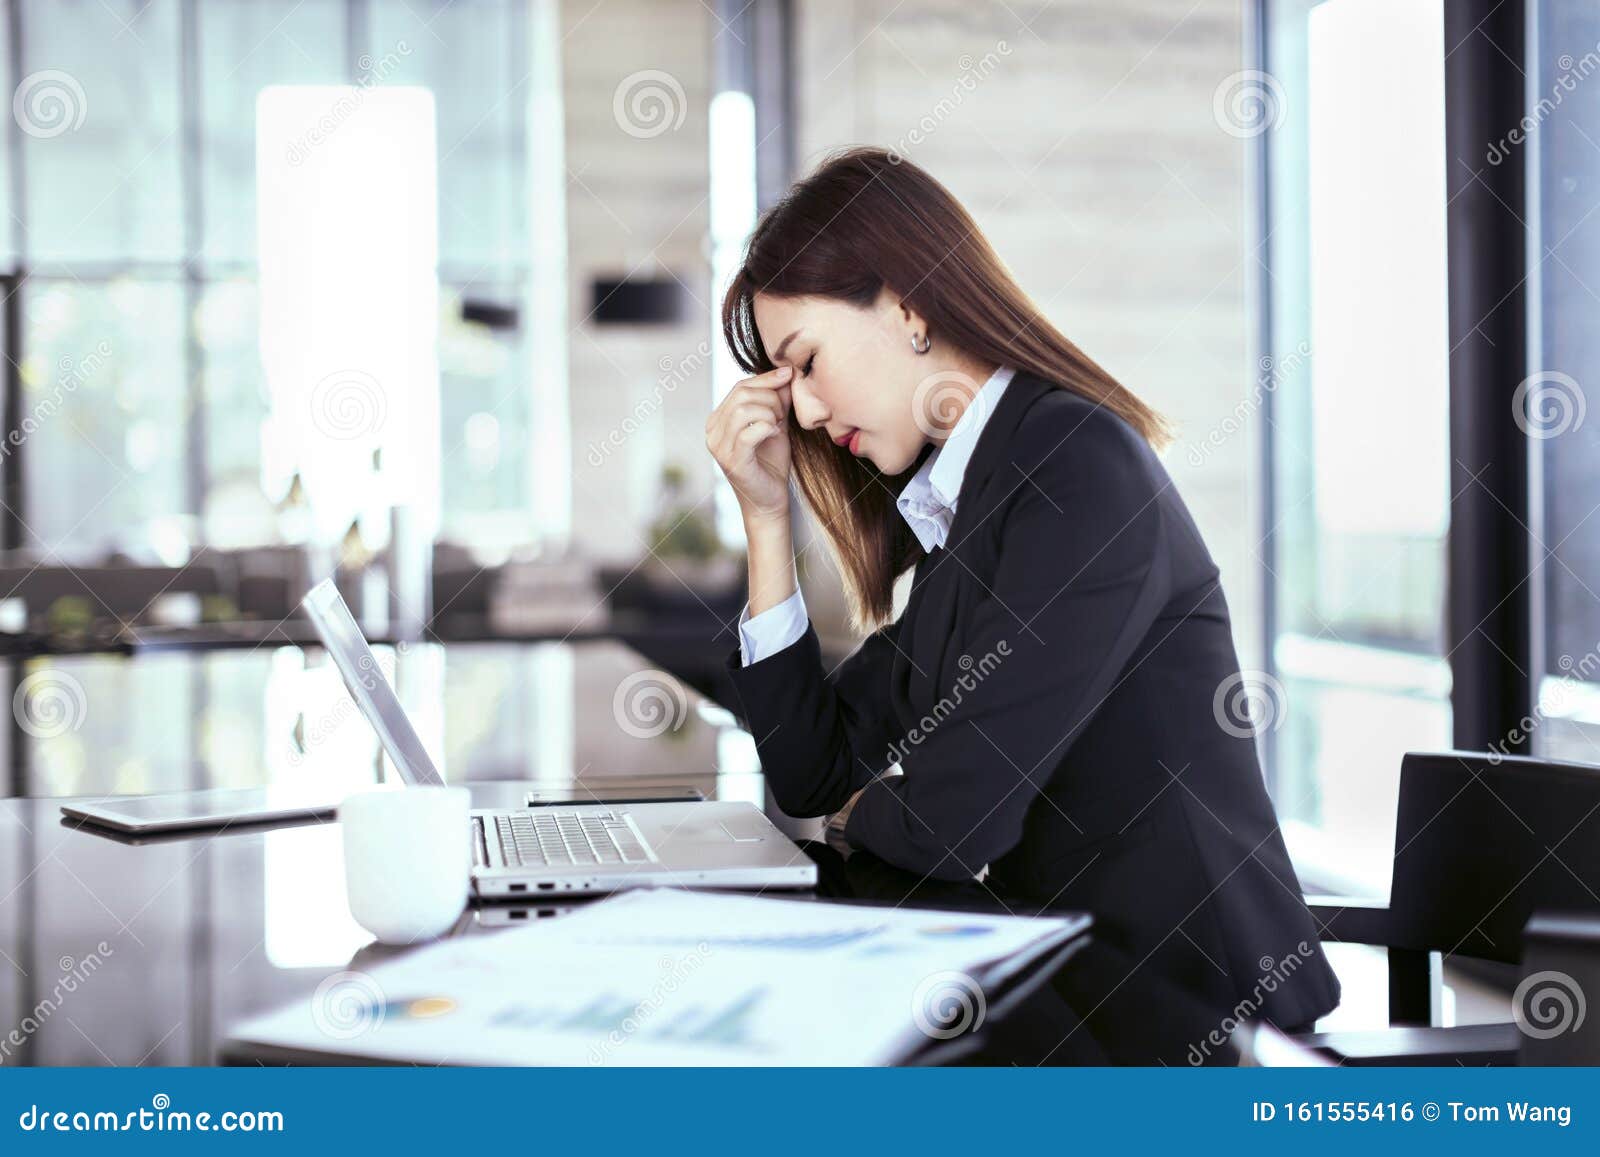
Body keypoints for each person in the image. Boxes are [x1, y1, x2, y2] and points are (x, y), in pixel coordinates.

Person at [705, 147, 1339, 1040]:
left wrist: (862, 813)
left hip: (1189, 1009)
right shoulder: (969, 503)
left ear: (908, 305)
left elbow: (954, 822)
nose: (803, 412)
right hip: (1065, 972)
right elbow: (815, 769)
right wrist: (766, 518)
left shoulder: (1077, 463)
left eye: (806, 362)